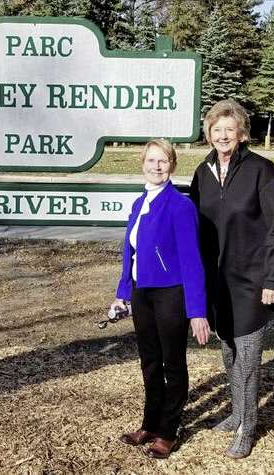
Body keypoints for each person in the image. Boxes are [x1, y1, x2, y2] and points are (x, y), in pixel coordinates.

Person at [189, 99, 274, 459]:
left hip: (252, 279)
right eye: (217, 129)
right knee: (228, 350)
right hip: (217, 280)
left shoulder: (262, 169)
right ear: (209, 134)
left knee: (247, 356)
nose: (223, 135)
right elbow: (194, 227)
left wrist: (272, 280)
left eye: (230, 129)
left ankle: (248, 427)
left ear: (242, 133)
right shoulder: (203, 172)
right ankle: (237, 413)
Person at [111, 139, 210, 460]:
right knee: (150, 361)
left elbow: (192, 260)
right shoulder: (139, 203)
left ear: (172, 165)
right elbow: (130, 253)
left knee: (172, 363)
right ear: (142, 164)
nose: (157, 166)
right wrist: (122, 294)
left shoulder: (180, 206)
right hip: (142, 293)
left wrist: (197, 311)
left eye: (163, 161)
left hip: (171, 293)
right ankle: (150, 424)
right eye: (151, 160)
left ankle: (168, 431)